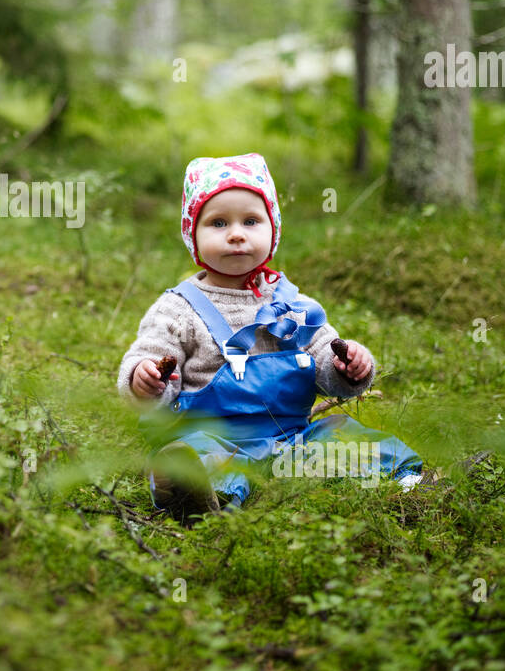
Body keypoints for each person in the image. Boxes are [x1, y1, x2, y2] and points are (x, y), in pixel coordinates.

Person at [117, 152, 424, 523]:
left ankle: (415, 483)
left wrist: (347, 369)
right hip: (213, 436)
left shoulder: (293, 303)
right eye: (217, 223)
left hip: (292, 440)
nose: (236, 233)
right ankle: (198, 495)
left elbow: (325, 359)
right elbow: (148, 356)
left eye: (250, 220)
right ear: (192, 235)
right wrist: (144, 380)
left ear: (272, 229)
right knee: (194, 454)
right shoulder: (177, 309)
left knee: (345, 439)